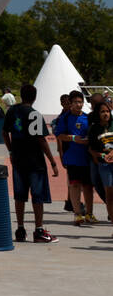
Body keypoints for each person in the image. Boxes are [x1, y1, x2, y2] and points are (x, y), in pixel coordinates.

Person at [2, 83, 59, 243]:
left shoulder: (12, 111)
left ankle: (20, 229)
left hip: (19, 160)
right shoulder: (35, 114)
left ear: (21, 95)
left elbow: (4, 132)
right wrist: (53, 161)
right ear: (34, 97)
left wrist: (11, 150)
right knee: (37, 195)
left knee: (20, 195)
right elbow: (41, 139)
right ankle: (38, 230)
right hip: (35, 161)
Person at [54, 90, 96, 224]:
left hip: (86, 157)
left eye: (81, 102)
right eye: (76, 102)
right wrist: (73, 138)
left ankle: (89, 214)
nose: (79, 105)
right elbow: (59, 135)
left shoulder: (88, 118)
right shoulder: (65, 118)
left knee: (88, 187)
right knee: (74, 185)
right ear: (70, 103)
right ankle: (77, 213)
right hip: (72, 158)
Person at [87, 97, 113, 224]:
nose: (106, 114)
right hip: (105, 165)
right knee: (109, 195)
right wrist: (102, 156)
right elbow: (91, 149)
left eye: (107, 111)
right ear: (98, 113)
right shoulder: (94, 129)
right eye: (102, 111)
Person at [53, 94, 73, 211]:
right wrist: (61, 155)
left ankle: (70, 200)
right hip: (67, 150)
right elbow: (59, 140)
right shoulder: (60, 119)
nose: (68, 105)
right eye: (65, 103)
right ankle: (70, 201)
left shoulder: (72, 116)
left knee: (72, 177)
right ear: (61, 104)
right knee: (71, 177)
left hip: (75, 150)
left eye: (69, 103)